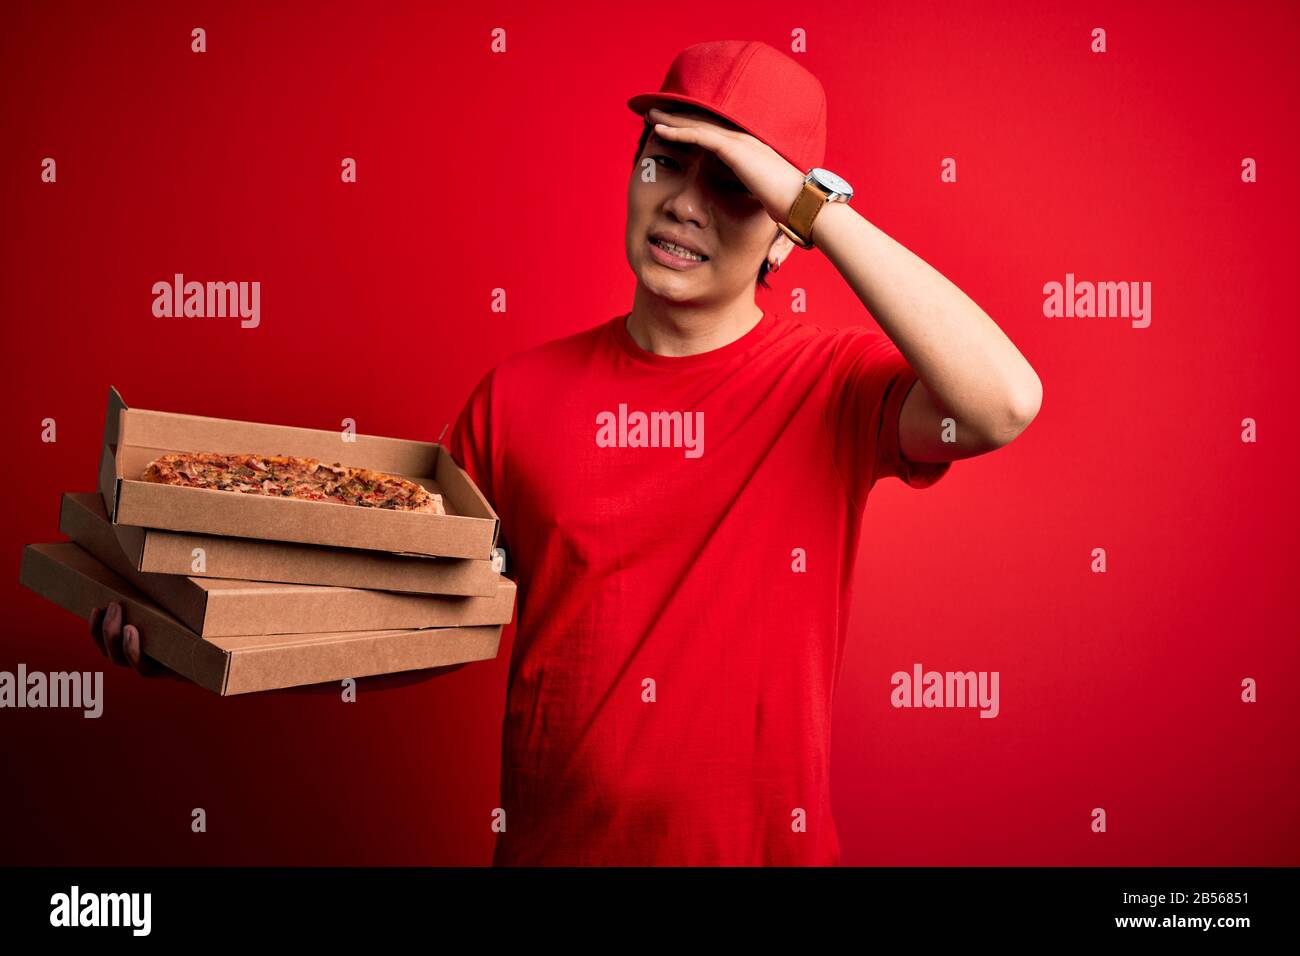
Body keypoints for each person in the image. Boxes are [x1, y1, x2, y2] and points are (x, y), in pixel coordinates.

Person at [93, 40, 1042, 865]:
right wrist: (200, 642)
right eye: (665, 162)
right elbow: (424, 624)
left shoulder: (833, 389)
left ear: (784, 232)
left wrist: (809, 203)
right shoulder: (517, 395)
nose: (685, 206)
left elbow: (1002, 403)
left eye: (733, 186)